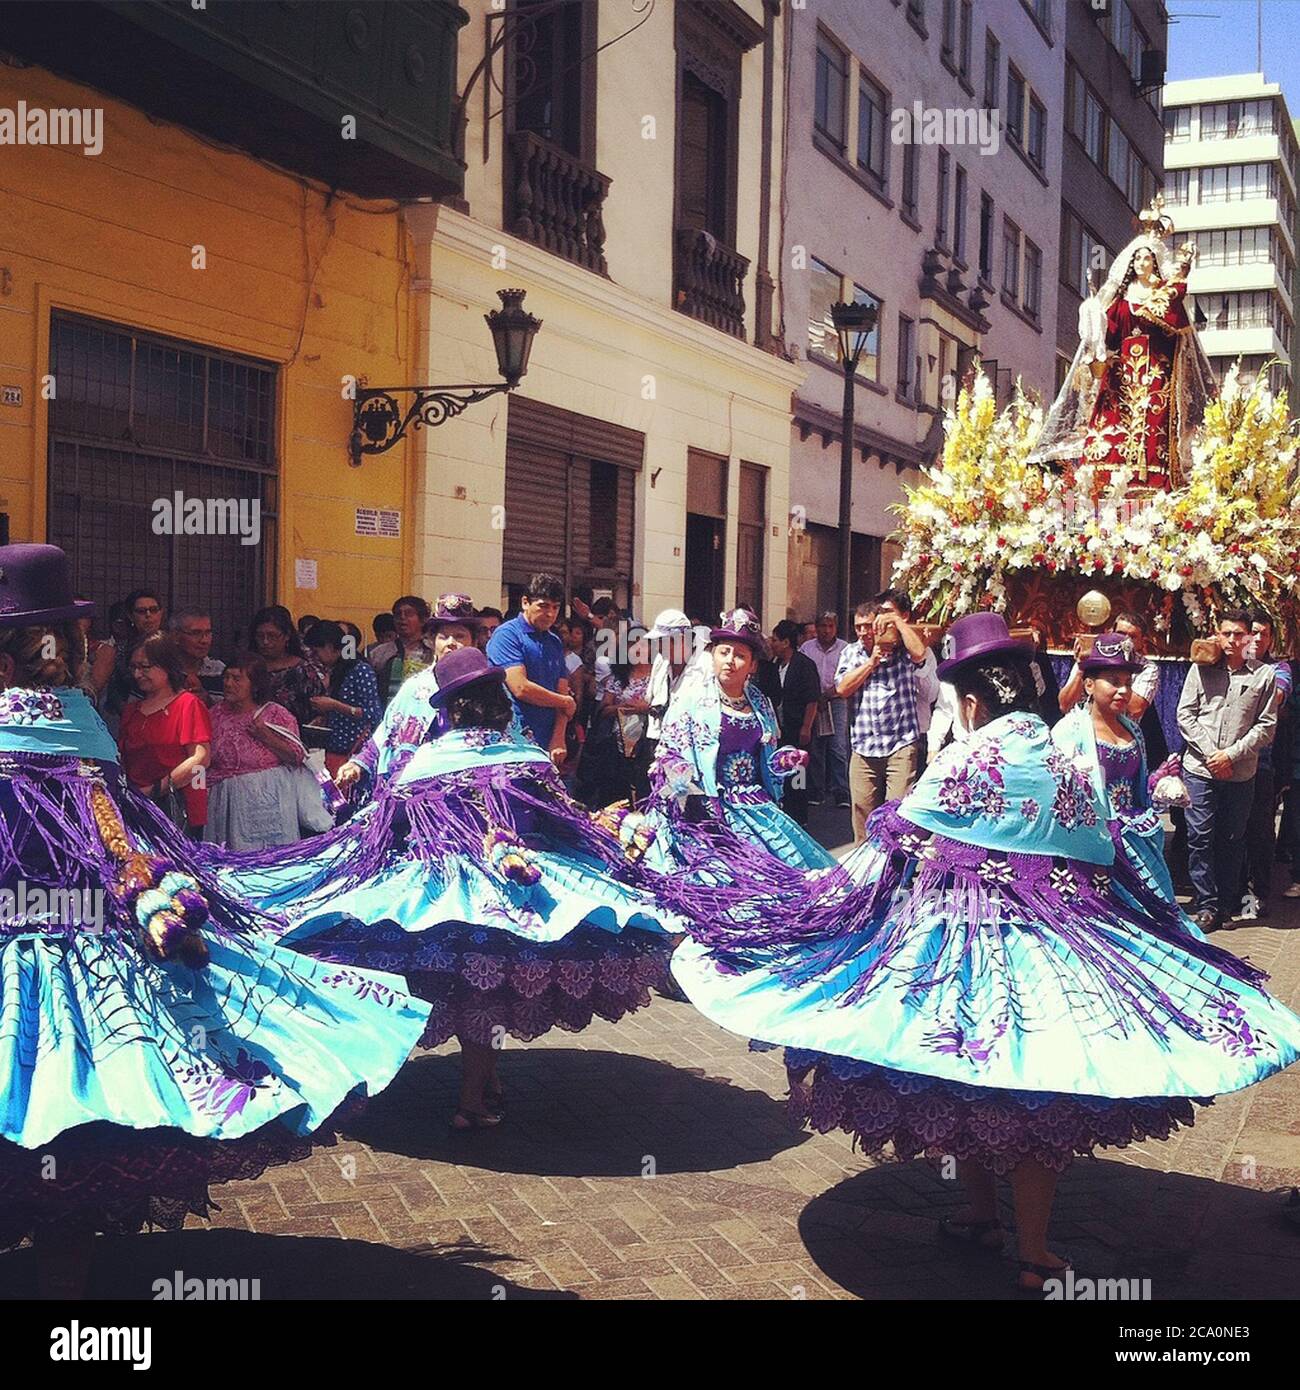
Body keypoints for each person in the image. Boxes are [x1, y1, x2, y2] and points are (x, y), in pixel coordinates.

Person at [671, 613, 1300, 1296]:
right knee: (1034, 1079)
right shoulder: (1060, 754)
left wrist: (820, 907)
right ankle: (1029, 1246)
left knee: (960, 1070)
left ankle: (985, 1217)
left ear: (970, 701)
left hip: (955, 939)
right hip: (1053, 941)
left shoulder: (969, 755)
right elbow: (1096, 849)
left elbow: (901, 837)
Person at [0, 545, 427, 1294]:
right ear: (64, 646)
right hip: (100, 934)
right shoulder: (83, 722)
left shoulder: (65, 723)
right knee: (92, 1111)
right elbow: (119, 836)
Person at [223, 646, 687, 1130]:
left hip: (437, 895)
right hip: (520, 894)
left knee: (472, 992)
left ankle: (477, 1089)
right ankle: (475, 1094)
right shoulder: (526, 759)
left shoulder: (425, 764)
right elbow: (566, 823)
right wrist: (614, 848)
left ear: (449, 709)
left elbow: (387, 832)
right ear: (499, 701)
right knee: (492, 991)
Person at [1030, 214, 1216, 491]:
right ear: (1131, 263)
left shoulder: (1167, 294)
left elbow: (1175, 326)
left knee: (1153, 426)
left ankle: (1152, 479)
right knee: (1112, 424)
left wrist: (1176, 281)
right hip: (1123, 373)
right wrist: (1094, 319)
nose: (1142, 263)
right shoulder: (1123, 299)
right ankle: (1104, 480)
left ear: (1155, 262)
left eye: (1148, 258)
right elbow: (1107, 334)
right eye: (1138, 259)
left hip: (1155, 371)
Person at [645, 609, 834, 872]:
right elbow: (667, 754)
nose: (730, 661)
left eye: (741, 656)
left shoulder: (761, 704)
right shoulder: (689, 700)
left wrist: (786, 759)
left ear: (753, 665)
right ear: (712, 656)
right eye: (724, 652)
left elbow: (767, 765)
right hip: (705, 811)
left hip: (756, 809)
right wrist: (684, 784)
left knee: (783, 879)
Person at [1053, 633, 1188, 915]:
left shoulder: (1134, 730)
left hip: (1138, 845)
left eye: (1127, 683)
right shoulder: (1070, 732)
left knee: (1158, 920)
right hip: (1095, 849)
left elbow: (1134, 791)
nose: (1123, 691)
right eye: (1113, 682)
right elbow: (1057, 798)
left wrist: (1158, 780)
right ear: (1088, 684)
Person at [1177, 609, 1278, 930]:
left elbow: (1266, 726)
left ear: (1250, 637)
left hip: (1240, 772)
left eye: (1239, 634)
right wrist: (1211, 755)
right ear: (1216, 635)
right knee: (1200, 837)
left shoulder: (1264, 675)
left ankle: (1225, 904)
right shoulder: (1200, 669)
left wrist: (1230, 756)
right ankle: (1206, 904)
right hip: (1200, 769)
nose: (1233, 640)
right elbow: (1185, 714)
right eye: (1227, 634)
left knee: (1232, 838)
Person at [335, 594, 481, 798]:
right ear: (433, 641)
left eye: (459, 636)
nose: (451, 643)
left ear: (474, 642)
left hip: (471, 792)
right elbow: (385, 735)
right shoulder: (414, 688)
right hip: (415, 794)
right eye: (443, 636)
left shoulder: (489, 688)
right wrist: (358, 763)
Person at [205, 653, 333, 851]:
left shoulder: (275, 714)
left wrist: (265, 736)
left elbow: (296, 756)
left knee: (269, 858)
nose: (229, 683)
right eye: (226, 677)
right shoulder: (214, 715)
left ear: (255, 685)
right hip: (227, 803)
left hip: (268, 804)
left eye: (237, 678)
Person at [836, 591, 930, 844]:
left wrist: (897, 622)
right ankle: (864, 872)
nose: (864, 632)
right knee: (863, 815)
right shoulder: (851, 653)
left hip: (900, 745)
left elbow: (921, 653)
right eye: (858, 628)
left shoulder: (902, 650)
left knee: (898, 814)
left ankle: (897, 872)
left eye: (869, 626)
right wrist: (871, 663)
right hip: (864, 747)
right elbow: (842, 689)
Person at [117, 632, 212, 838]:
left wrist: (156, 789)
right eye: (134, 667)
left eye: (145, 667)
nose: (137, 674)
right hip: (137, 807)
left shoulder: (188, 705)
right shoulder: (131, 711)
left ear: (166, 665)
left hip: (177, 808)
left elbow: (200, 759)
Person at [1238, 611, 1294, 920]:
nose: (1259, 639)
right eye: (1254, 632)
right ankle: (1229, 894)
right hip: (1226, 765)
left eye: (1265, 634)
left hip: (1262, 765)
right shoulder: (1224, 667)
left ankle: (1256, 895)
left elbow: (1278, 696)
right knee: (1230, 833)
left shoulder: (1278, 670)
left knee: (1259, 833)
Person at [1058, 610, 1165, 766]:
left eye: (1132, 636)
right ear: (1111, 632)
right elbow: (1064, 705)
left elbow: (1135, 708)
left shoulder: (1147, 668)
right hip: (1081, 737)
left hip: (1121, 741)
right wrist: (1082, 667)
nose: (1125, 640)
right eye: (1121, 633)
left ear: (1142, 641)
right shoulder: (1089, 661)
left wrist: (1102, 692)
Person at [486, 572, 571, 768]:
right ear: (525, 602)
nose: (550, 614)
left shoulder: (554, 641)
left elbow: (562, 689)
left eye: (555, 607)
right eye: (543, 606)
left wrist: (559, 737)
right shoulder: (506, 635)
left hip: (547, 741)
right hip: (511, 739)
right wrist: (565, 701)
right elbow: (520, 688)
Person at [760, 620, 821, 826]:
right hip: (779, 728)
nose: (772, 644)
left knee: (798, 772)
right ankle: (784, 809)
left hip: (798, 727)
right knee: (781, 770)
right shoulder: (774, 666)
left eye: (776, 640)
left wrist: (806, 726)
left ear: (786, 642)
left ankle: (800, 815)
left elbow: (812, 698)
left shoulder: (805, 665)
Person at [303, 620, 382, 778]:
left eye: (316, 652)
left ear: (330, 647)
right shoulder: (330, 670)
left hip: (353, 755)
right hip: (329, 751)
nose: (313, 657)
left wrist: (335, 706)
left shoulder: (360, 670)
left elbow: (374, 715)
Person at [91, 586, 166, 729]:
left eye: (153, 610)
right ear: (131, 616)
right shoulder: (121, 650)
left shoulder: (172, 646)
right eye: (142, 611)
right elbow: (114, 694)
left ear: (161, 613)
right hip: (127, 718)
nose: (148, 615)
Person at [799, 611, 849, 809]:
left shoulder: (845, 649)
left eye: (830, 626)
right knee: (816, 747)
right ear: (816, 627)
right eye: (822, 626)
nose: (826, 630)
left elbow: (849, 676)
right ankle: (817, 791)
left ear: (836, 628)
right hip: (813, 702)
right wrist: (814, 696)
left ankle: (841, 791)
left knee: (838, 747)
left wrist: (831, 693)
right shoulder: (807, 648)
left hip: (836, 701)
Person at [249, 605, 324, 729]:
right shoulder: (250, 667)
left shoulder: (302, 671)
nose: (265, 642)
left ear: (287, 635)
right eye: (260, 636)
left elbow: (318, 712)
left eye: (272, 636)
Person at [369, 595, 436, 704]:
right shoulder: (378, 653)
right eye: (398, 614)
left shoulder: (434, 651)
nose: (402, 618)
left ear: (423, 620)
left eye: (409, 614)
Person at [169, 607, 226, 703]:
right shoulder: (163, 671)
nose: (204, 640)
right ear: (175, 636)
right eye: (196, 633)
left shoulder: (220, 671)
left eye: (208, 633)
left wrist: (208, 701)